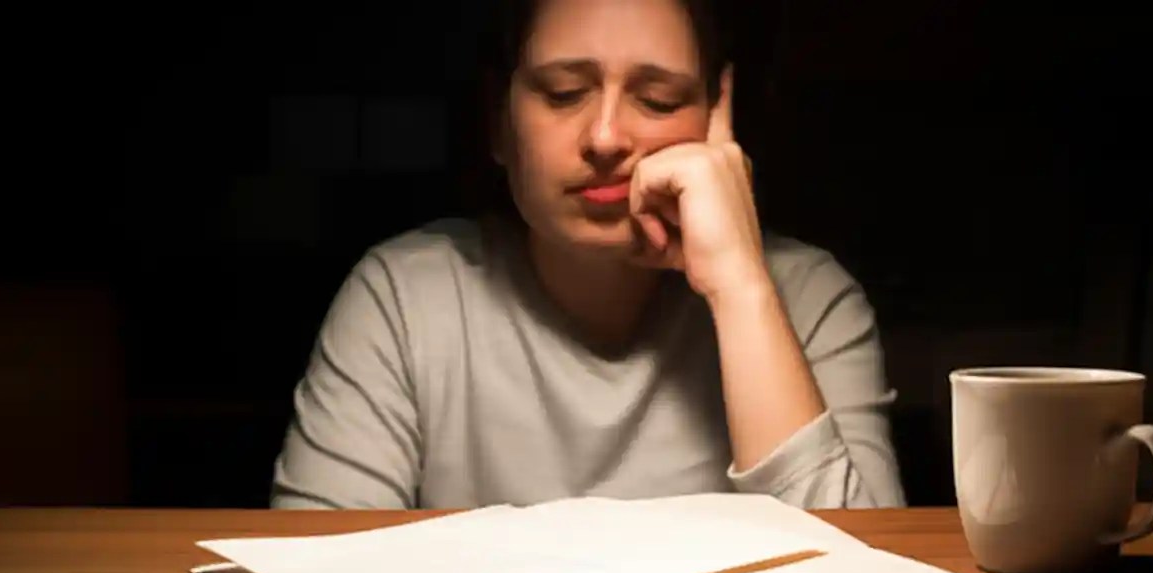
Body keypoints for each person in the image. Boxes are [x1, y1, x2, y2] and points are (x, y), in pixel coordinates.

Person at [270, 0, 906, 510]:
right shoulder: (404, 298)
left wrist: (739, 287)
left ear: (719, 116)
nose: (605, 139)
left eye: (656, 99)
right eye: (563, 91)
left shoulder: (810, 299)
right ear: (499, 121)